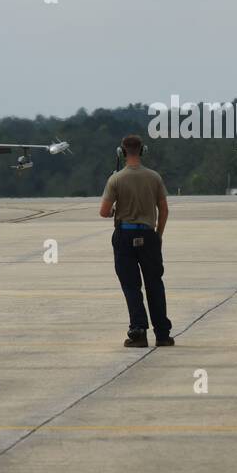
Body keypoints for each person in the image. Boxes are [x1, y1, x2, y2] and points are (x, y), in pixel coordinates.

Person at [99, 134, 174, 348]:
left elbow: (104, 212)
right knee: (155, 285)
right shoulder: (154, 177)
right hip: (149, 235)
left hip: (125, 236)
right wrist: (158, 235)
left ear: (122, 152)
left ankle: (139, 331)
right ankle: (162, 333)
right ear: (142, 150)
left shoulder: (115, 179)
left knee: (132, 286)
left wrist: (115, 208)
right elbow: (164, 209)